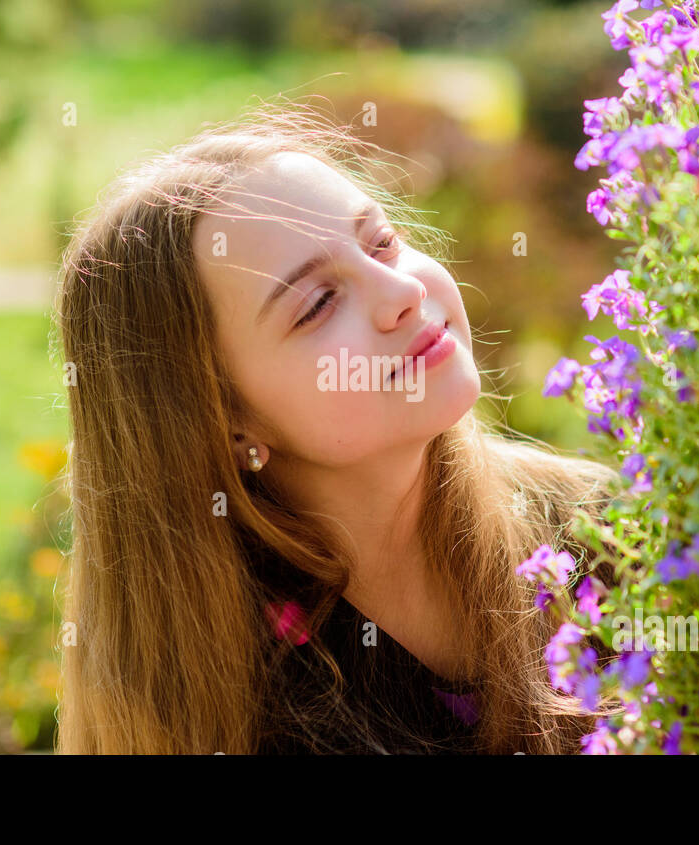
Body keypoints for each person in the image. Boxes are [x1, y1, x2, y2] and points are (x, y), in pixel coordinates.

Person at [53, 99, 619, 754]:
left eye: (381, 242)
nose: (399, 291)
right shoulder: (240, 716)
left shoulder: (604, 529)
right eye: (318, 302)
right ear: (227, 422)